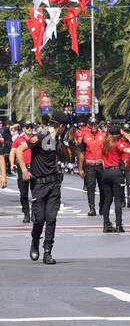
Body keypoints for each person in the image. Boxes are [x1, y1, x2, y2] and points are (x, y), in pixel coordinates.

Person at [18, 111, 71, 263]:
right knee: (39, 219)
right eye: (64, 127)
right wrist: (24, 170)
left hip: (54, 183)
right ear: (61, 126)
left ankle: (47, 251)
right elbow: (20, 150)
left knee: (52, 218)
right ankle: (35, 241)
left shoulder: (58, 139)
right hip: (39, 184)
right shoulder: (41, 135)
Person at [101, 122, 127, 233]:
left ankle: (106, 224)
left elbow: (102, 160)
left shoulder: (105, 143)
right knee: (118, 200)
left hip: (106, 172)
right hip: (116, 172)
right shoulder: (119, 143)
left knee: (107, 200)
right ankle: (119, 225)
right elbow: (125, 159)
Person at [78, 117, 107, 216]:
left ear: (98, 125)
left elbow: (107, 151)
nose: (93, 126)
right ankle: (92, 208)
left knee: (103, 187)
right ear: (89, 126)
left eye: (95, 124)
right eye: (91, 124)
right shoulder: (85, 136)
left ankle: (102, 206)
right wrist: (80, 168)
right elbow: (81, 153)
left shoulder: (104, 135)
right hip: (89, 166)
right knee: (90, 187)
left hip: (101, 166)